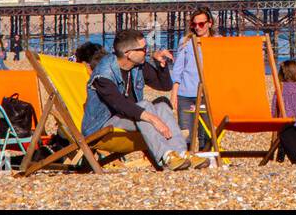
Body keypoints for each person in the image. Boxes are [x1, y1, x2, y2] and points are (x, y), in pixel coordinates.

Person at [82, 30, 206, 171]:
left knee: (162, 104)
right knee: (144, 107)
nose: (146, 52)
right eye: (143, 49)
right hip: (103, 124)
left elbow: (164, 86)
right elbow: (120, 105)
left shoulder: (137, 65)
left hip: (130, 116)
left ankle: (181, 153)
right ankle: (166, 156)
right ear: (128, 53)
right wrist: (153, 119)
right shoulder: (103, 74)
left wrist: (160, 65)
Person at [170, 7, 215, 143]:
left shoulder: (217, 42)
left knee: (206, 134)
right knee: (185, 134)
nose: (197, 27)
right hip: (185, 94)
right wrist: (174, 94)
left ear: (209, 23)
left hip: (206, 94)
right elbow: (178, 70)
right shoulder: (185, 42)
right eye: (194, 24)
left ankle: (205, 161)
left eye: (201, 24)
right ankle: (187, 160)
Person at [275, 60, 296, 128]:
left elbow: (274, 106)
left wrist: (275, 119)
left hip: (281, 123)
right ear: (293, 72)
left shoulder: (279, 88)